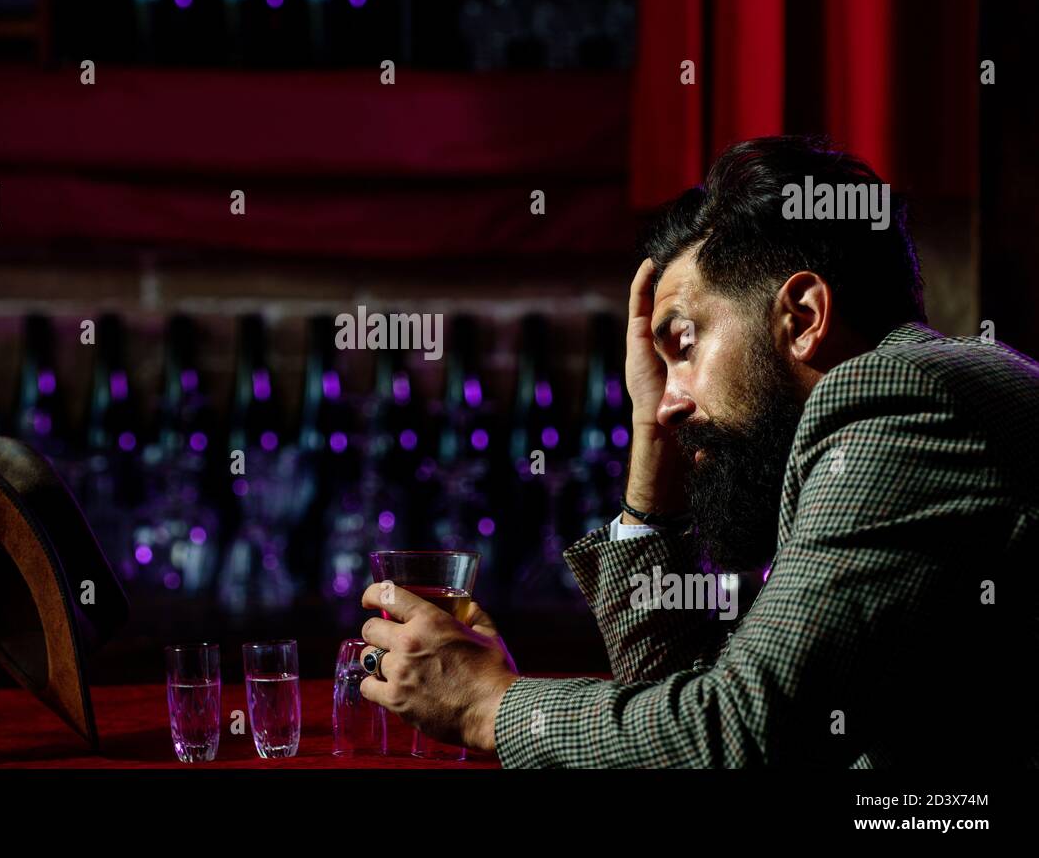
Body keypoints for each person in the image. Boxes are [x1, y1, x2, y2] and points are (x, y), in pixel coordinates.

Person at [359, 136, 1039, 767]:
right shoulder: (915, 399)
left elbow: (735, 728)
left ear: (801, 317)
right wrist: (652, 447)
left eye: (684, 343)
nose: (667, 397)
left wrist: (489, 704)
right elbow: (696, 711)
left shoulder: (896, 394)